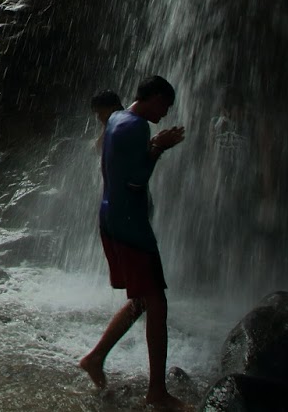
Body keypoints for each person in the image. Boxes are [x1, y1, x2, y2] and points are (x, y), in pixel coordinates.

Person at [78, 77, 188, 409]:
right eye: (165, 106)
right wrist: (158, 147)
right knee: (157, 303)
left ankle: (95, 358)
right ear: (153, 98)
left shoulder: (116, 119)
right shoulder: (137, 127)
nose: (166, 113)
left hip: (111, 218)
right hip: (130, 224)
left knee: (142, 300)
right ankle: (157, 392)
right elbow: (136, 180)